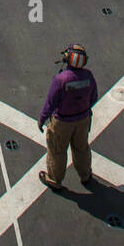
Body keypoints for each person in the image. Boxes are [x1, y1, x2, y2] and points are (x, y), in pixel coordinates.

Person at [38, 43, 98, 190]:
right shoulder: (88, 76)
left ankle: (54, 179)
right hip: (82, 120)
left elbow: (50, 103)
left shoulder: (61, 79)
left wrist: (41, 119)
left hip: (62, 122)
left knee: (57, 151)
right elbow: (94, 98)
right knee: (81, 148)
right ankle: (85, 176)